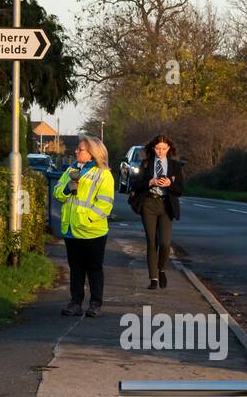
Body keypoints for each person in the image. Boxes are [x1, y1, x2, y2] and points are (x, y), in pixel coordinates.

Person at [53, 134, 115, 317]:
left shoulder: (103, 174)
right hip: (71, 230)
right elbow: (58, 193)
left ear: (92, 153)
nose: (76, 151)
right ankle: (75, 302)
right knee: (76, 268)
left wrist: (87, 219)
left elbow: (105, 204)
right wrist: (67, 188)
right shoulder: (70, 170)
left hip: (92, 231)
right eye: (78, 149)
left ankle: (95, 304)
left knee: (94, 268)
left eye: (80, 149)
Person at [126, 134, 184, 289]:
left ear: (169, 149)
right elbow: (134, 185)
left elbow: (180, 190)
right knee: (152, 242)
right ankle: (153, 278)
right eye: (158, 148)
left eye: (163, 148)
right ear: (153, 148)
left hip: (166, 206)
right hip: (149, 204)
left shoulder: (175, 166)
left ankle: (162, 269)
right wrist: (150, 182)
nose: (160, 151)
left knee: (165, 243)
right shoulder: (145, 164)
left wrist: (170, 183)